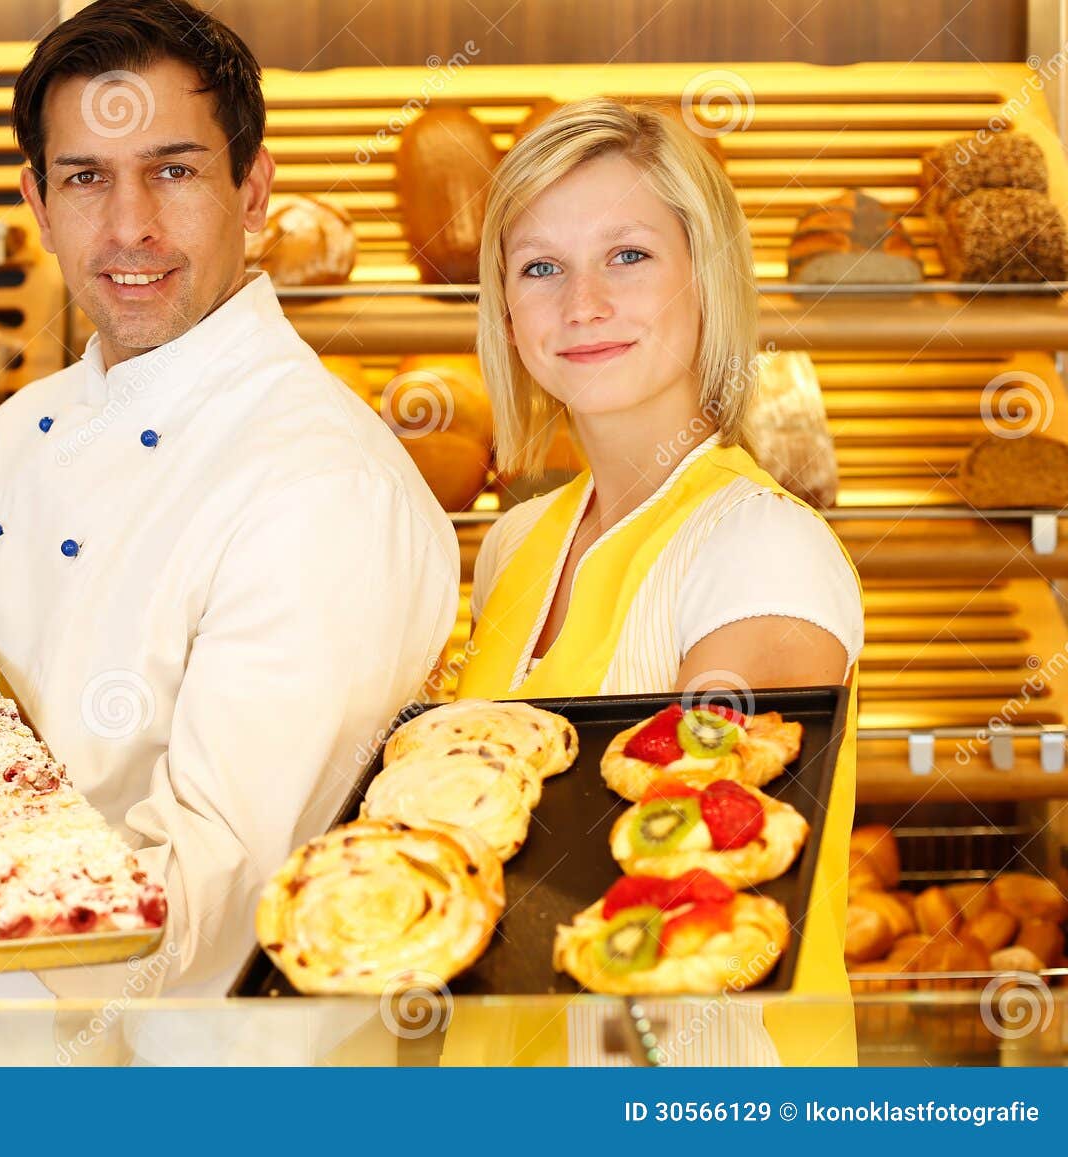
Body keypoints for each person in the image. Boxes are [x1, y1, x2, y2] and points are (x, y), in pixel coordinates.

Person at [0, 0, 458, 1064]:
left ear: (251, 193)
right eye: (86, 177)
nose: (129, 229)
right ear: (37, 200)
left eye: (172, 170)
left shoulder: (320, 482)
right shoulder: (14, 439)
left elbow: (215, 881)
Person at [451, 97, 865, 1065]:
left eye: (626, 255)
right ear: (507, 311)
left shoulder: (759, 549)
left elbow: (700, 901)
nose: (580, 303)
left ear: (706, 277)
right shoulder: (517, 543)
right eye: (539, 266)